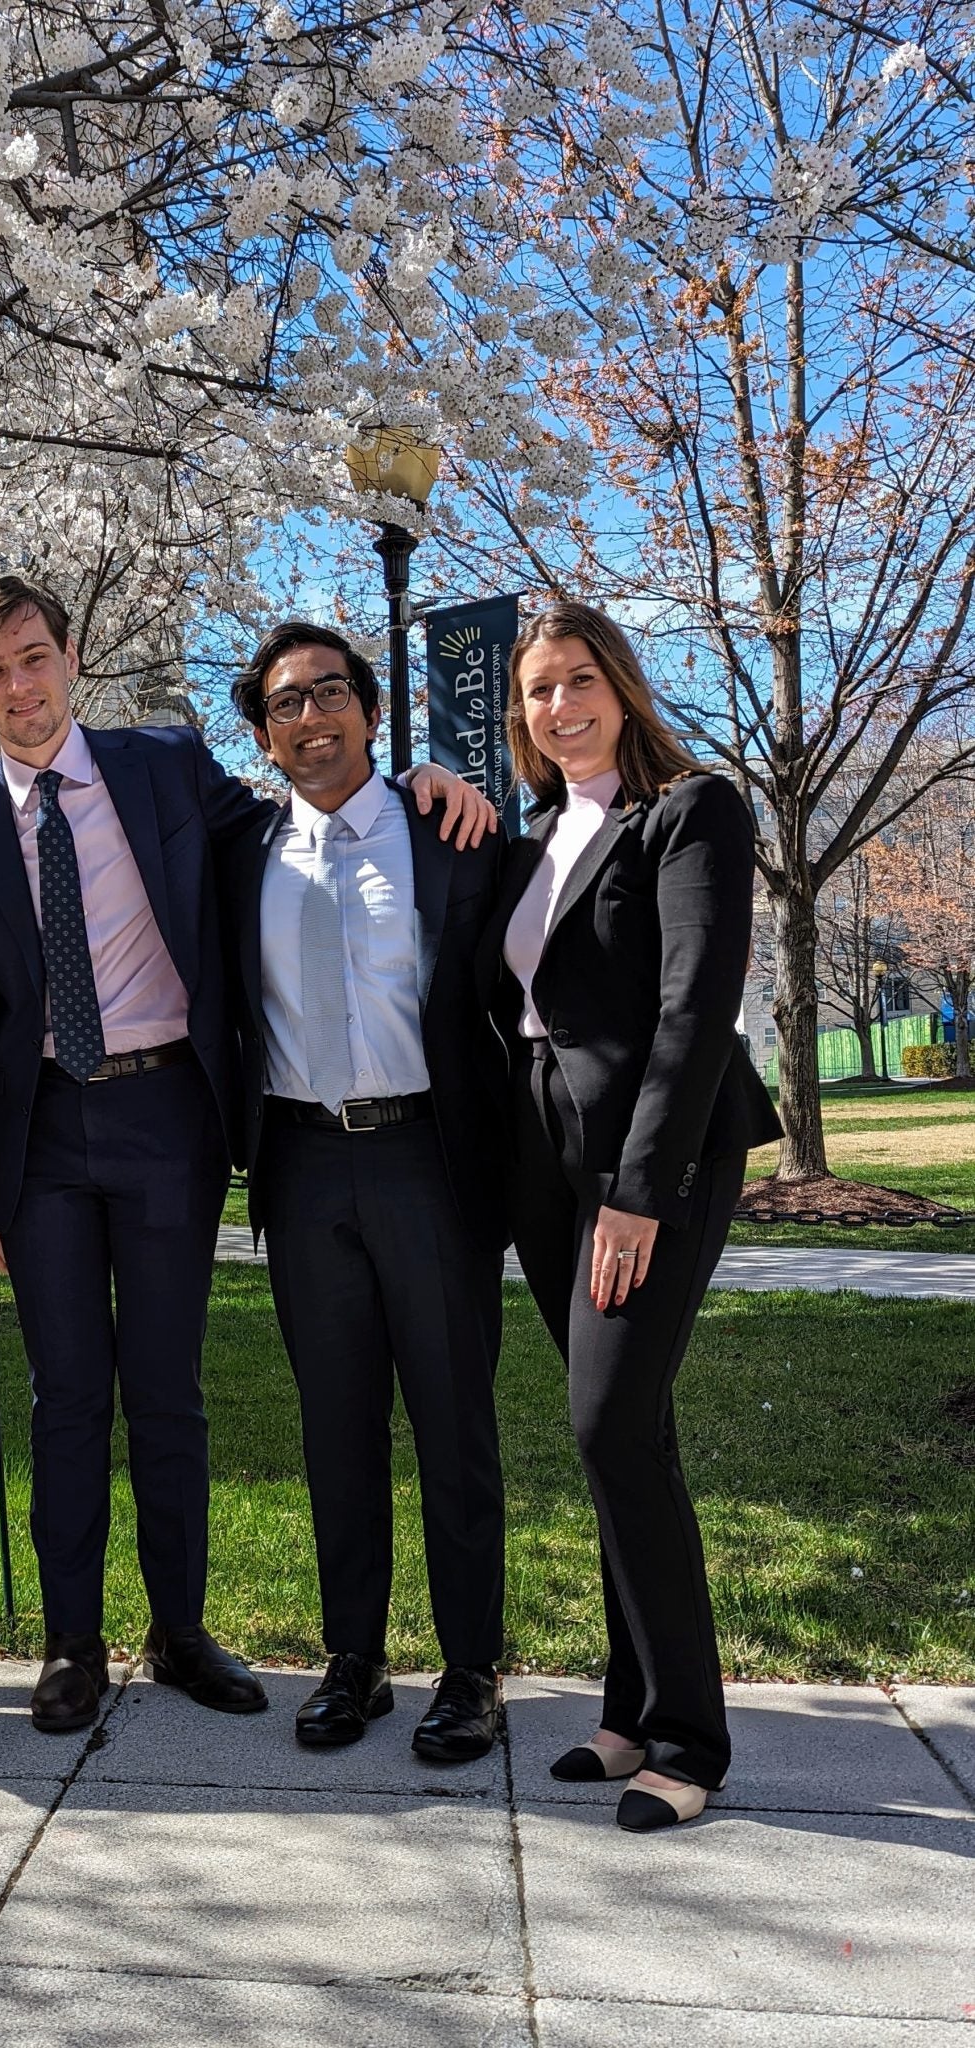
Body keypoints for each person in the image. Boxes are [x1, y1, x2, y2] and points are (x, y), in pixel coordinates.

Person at [0, 575, 493, 1734]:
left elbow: (308, 813)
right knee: (67, 1393)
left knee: (168, 1390)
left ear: (69, 654)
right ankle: (71, 1642)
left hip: (168, 1117)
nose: (19, 686)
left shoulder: (166, 765)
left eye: (34, 656)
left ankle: (179, 1629)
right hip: (40, 1135)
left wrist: (426, 778)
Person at [483, 600, 781, 1830]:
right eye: (537, 690)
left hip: (649, 1160)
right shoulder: (540, 831)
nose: (559, 706)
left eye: (577, 679)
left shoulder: (693, 809)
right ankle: (626, 1709)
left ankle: (690, 1738)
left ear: (619, 679)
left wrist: (635, 1193)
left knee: (608, 1424)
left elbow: (692, 1010)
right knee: (624, 1433)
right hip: (545, 1156)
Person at [224, 623, 509, 1759]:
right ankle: (354, 1660)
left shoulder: (451, 832)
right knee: (334, 1427)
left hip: (425, 1159)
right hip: (298, 1168)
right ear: (262, 733)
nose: (309, 717)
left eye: (328, 693)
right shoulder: (239, 849)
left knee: (452, 1423)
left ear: (370, 710)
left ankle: (471, 1668)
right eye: (285, 704)